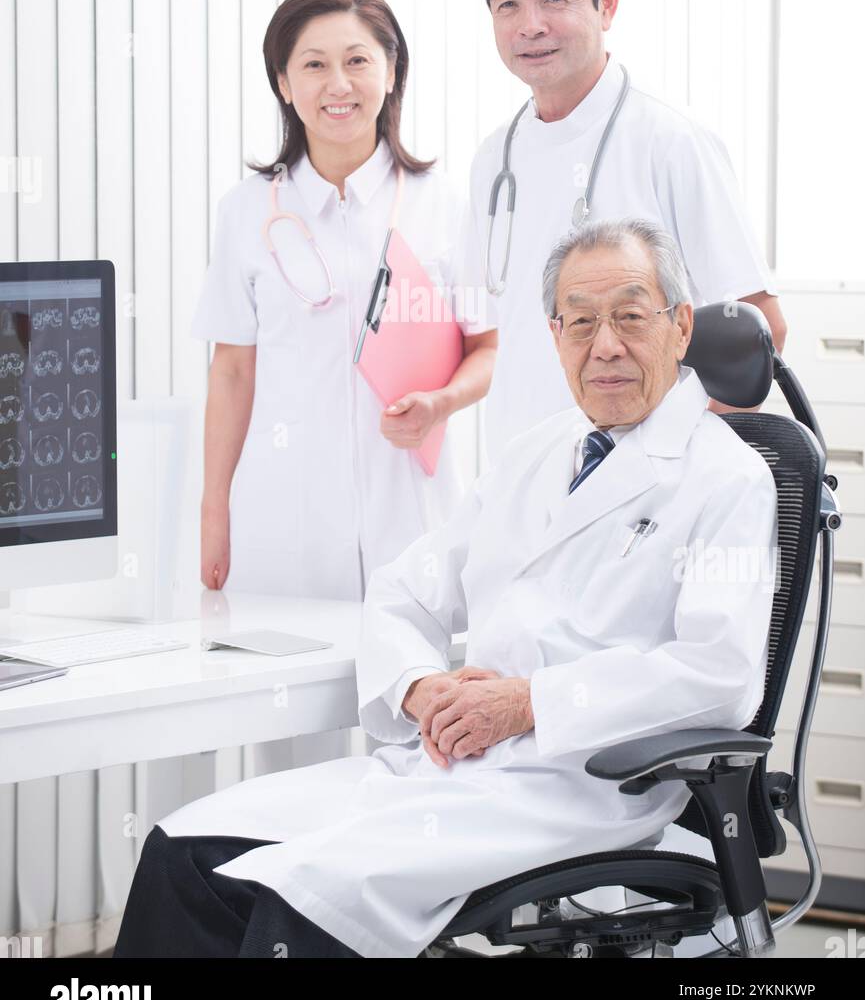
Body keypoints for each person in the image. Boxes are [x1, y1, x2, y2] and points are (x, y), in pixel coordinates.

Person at [114, 219, 776, 959]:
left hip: (577, 788)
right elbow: (405, 590)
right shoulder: (533, 455)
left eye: (629, 316)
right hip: (448, 767)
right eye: (580, 322)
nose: (605, 346)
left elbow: (720, 677)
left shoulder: (728, 480)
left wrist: (527, 703)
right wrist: (420, 689)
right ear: (554, 335)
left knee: (302, 904)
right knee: (183, 855)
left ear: (679, 327)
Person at [195, 0, 496, 602]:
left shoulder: (443, 207)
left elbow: (488, 347)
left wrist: (440, 403)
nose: (338, 84)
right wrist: (214, 511)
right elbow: (231, 373)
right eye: (314, 65)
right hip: (282, 520)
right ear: (283, 83)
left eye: (358, 61)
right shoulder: (246, 212)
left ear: (391, 72)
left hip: (412, 513)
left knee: (418, 687)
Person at [462, 0, 787, 462]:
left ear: (606, 3)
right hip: (523, 474)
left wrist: (662, 456)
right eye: (507, 4)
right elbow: (501, 335)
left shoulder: (671, 142)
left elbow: (762, 330)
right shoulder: (494, 158)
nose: (530, 24)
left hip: (646, 490)